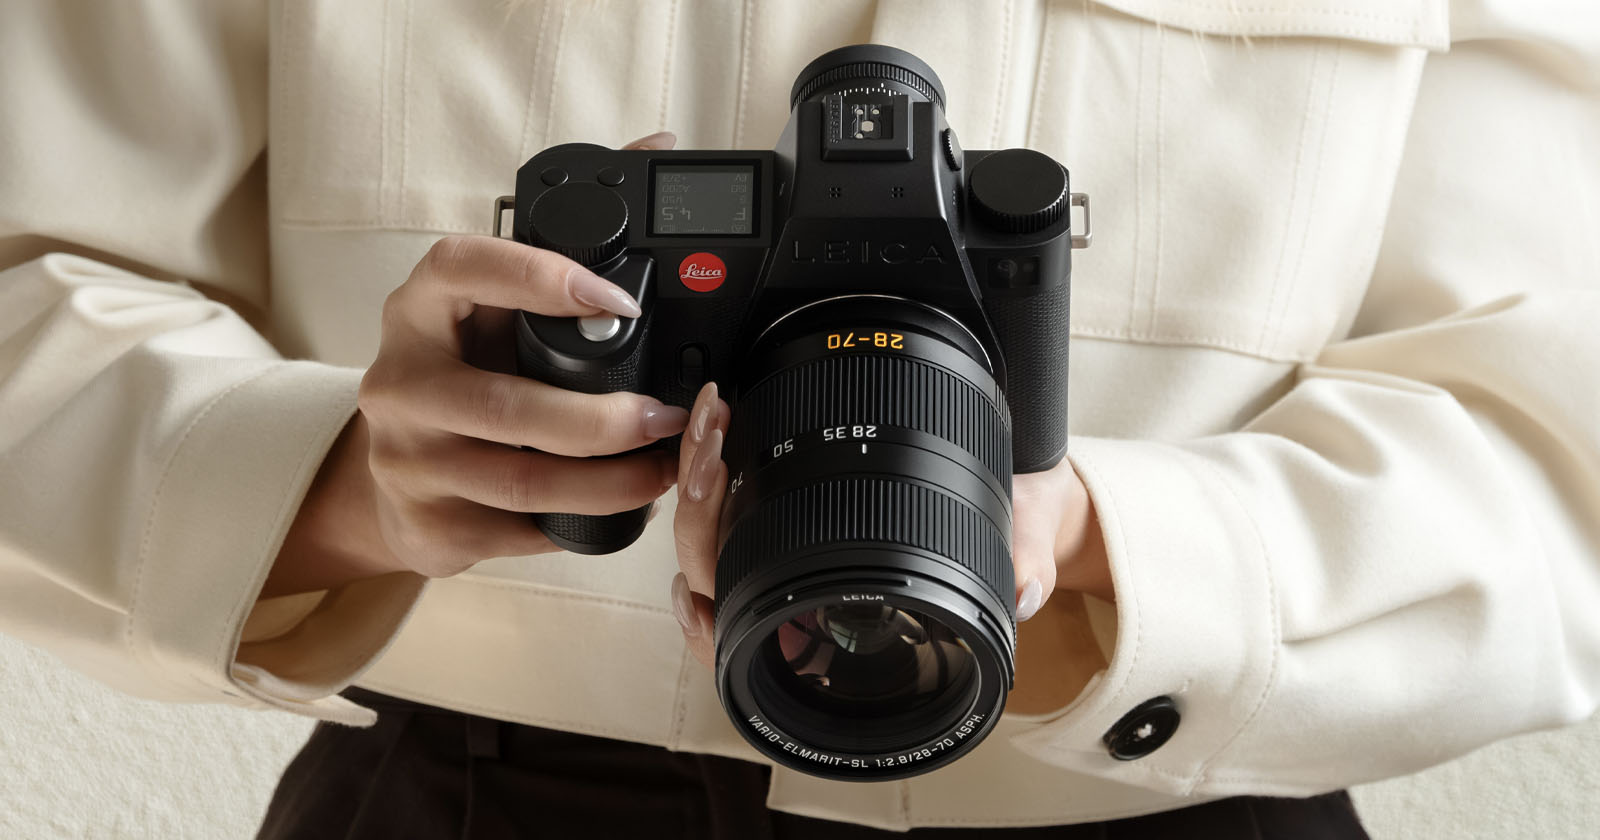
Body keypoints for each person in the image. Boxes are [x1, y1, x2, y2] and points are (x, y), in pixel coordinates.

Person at [1, 1, 1596, 837]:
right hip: (469, 798)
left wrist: (1091, 538)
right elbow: (28, 281)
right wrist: (354, 482)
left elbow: (1557, 442)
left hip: (1155, 816)